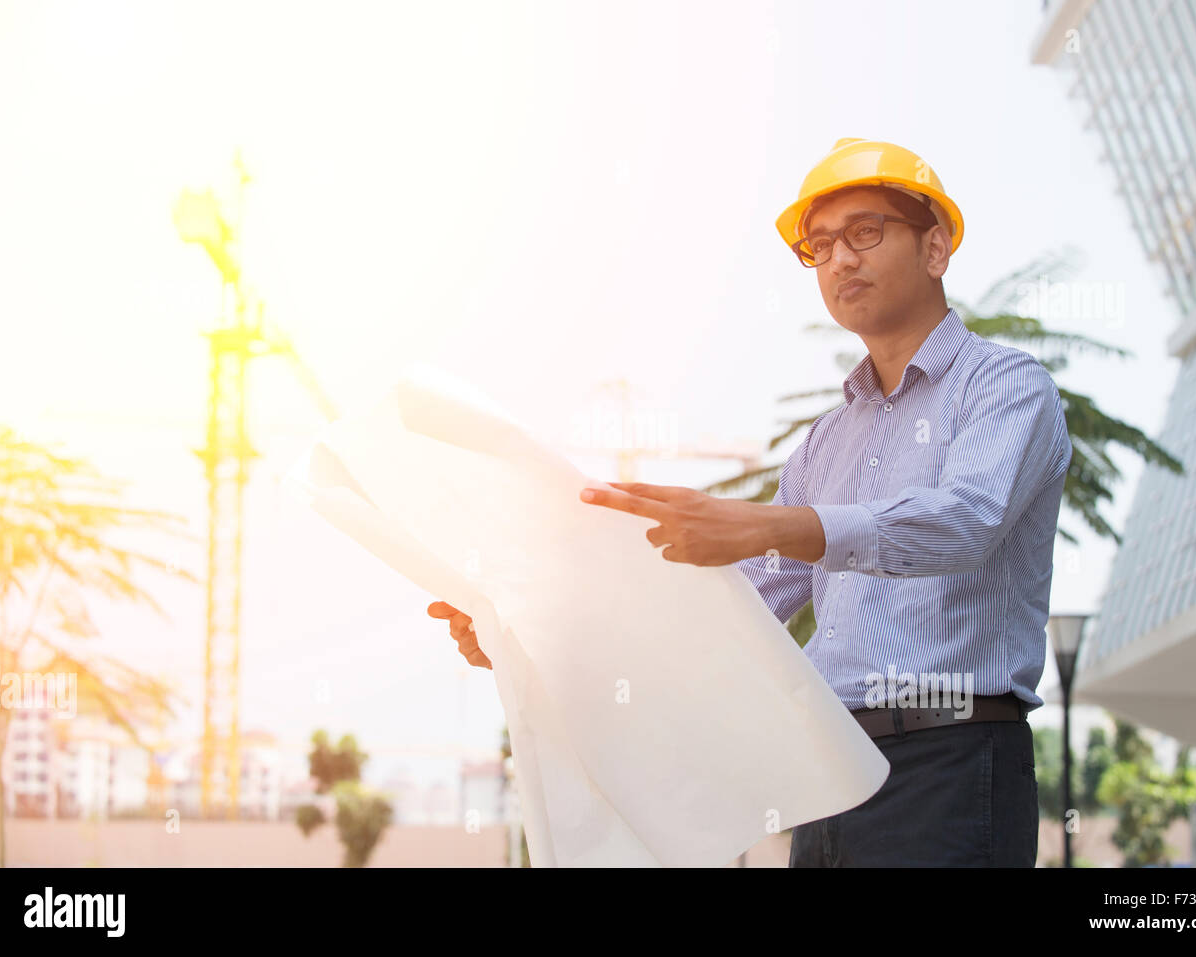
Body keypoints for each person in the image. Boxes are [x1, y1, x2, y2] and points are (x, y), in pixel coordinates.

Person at [432, 137, 1072, 867]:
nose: (840, 259)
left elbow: (963, 524)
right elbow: (733, 608)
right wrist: (533, 639)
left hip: (954, 768)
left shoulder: (1007, 387)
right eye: (820, 245)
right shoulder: (826, 444)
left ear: (936, 248)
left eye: (865, 232)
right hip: (833, 776)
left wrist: (766, 524)